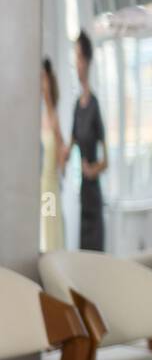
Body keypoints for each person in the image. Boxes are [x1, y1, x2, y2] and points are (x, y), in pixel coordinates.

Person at [67, 31, 107, 251]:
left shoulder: (94, 105)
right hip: (82, 192)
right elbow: (70, 143)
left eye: (80, 57)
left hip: (94, 191)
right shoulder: (76, 107)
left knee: (95, 253)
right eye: (75, 57)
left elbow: (106, 160)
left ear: (88, 62)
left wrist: (93, 169)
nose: (77, 63)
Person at [40, 57, 67, 252]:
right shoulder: (40, 119)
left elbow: (62, 161)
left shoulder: (54, 119)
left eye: (43, 78)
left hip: (51, 189)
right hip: (41, 187)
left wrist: (64, 154)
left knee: (51, 239)